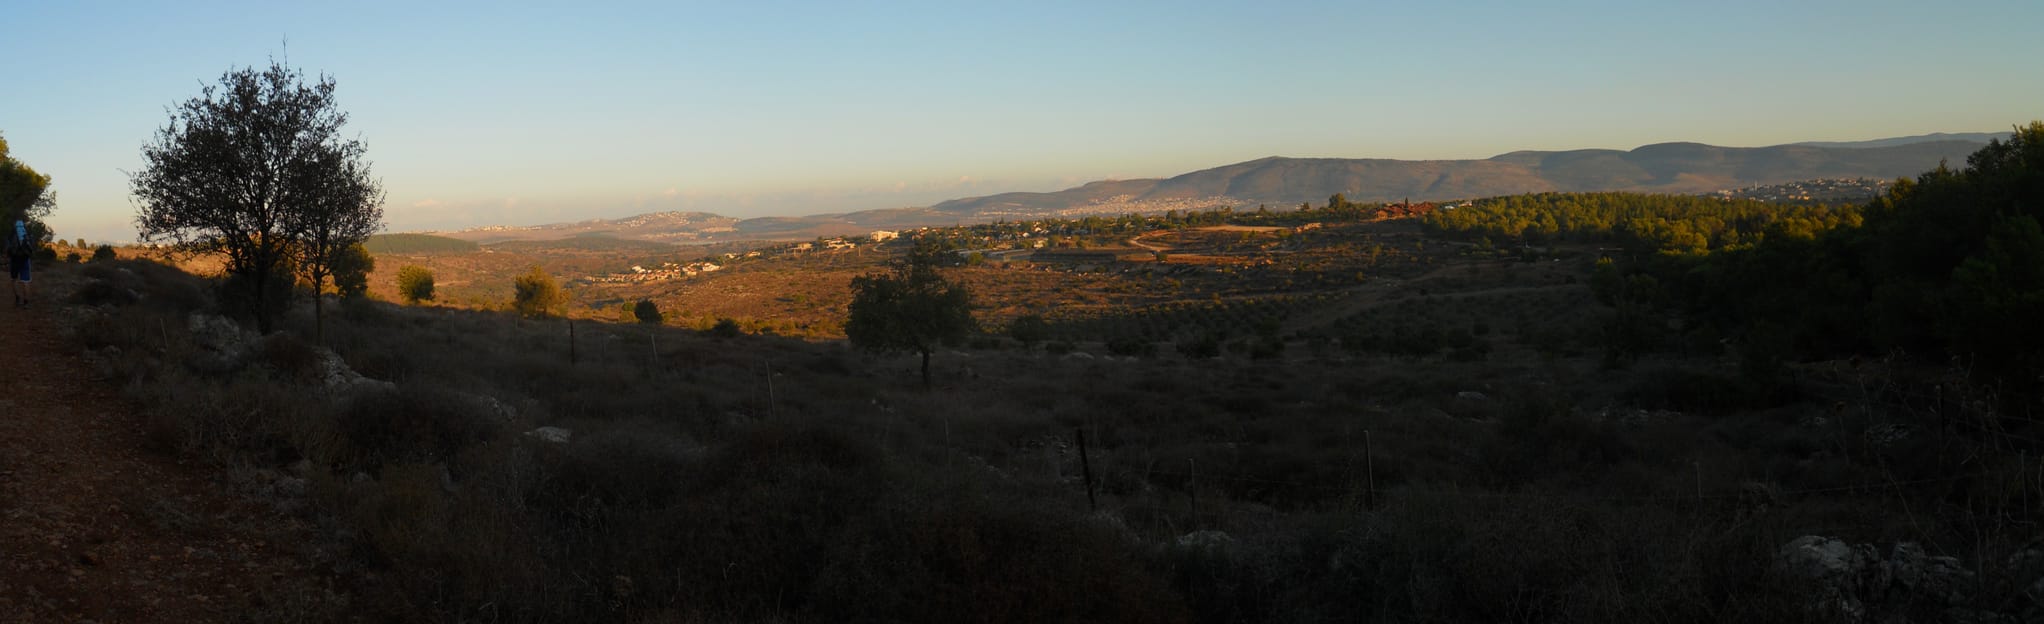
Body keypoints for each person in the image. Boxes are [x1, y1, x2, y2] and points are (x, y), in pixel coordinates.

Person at [8, 219, 31, 308]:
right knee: (26, 282)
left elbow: (8, 248)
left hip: (14, 260)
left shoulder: (12, 233)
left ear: (15, 225)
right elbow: (31, 246)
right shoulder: (26, 233)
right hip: (25, 259)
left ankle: (17, 299)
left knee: (14, 280)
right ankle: (26, 302)